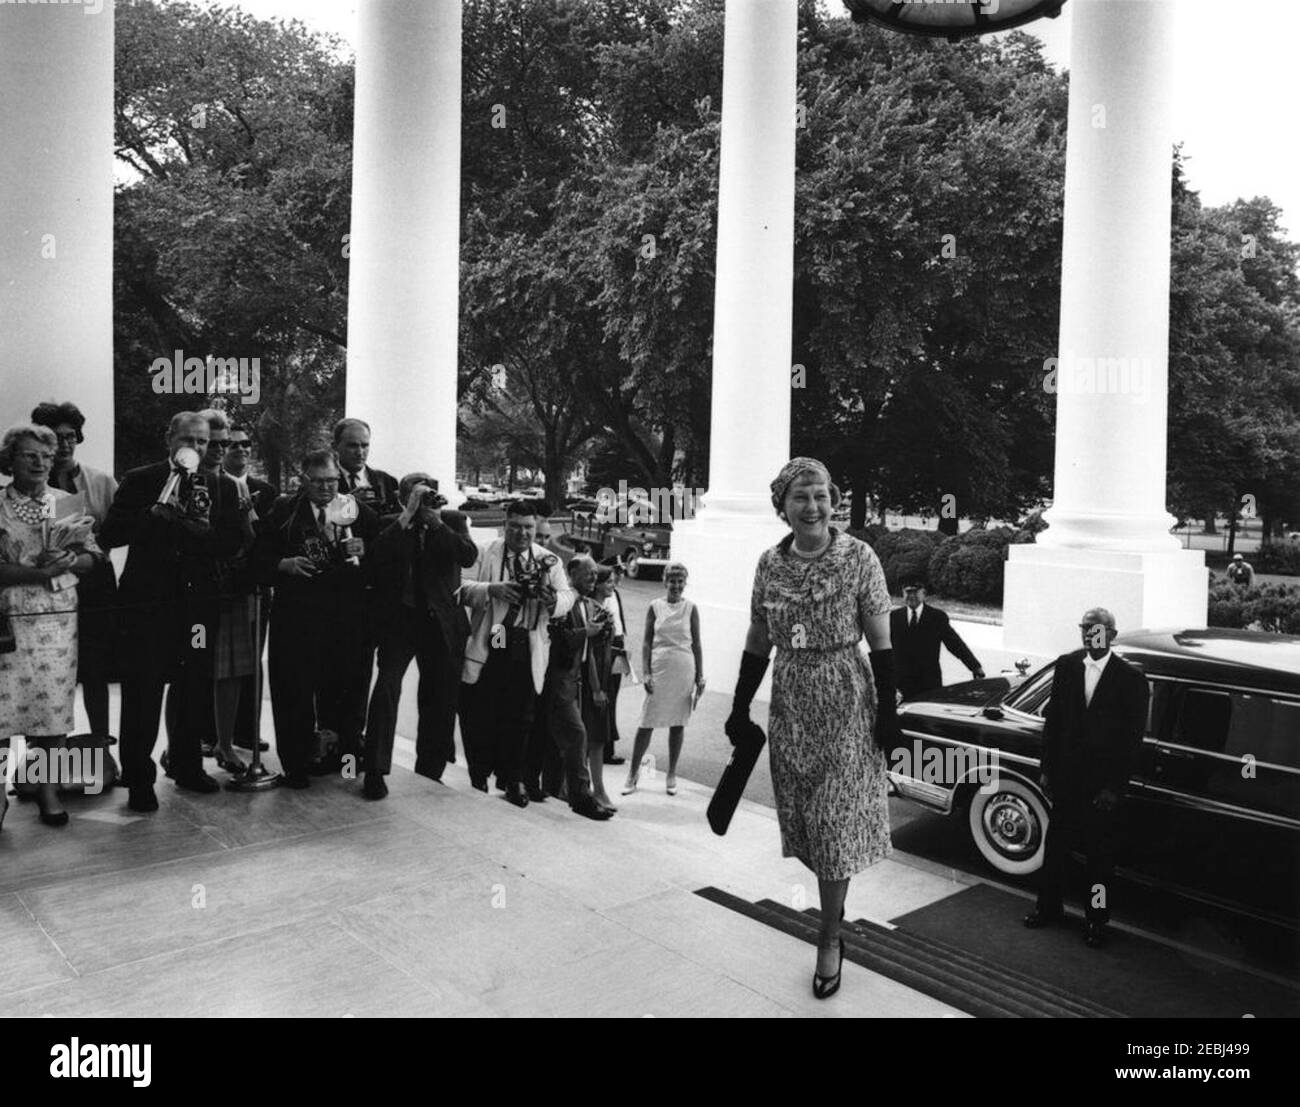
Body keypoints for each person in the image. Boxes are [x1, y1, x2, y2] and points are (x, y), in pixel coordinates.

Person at [724, 457, 899, 1000]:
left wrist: (889, 711)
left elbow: (881, 639)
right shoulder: (769, 564)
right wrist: (738, 705)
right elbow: (758, 639)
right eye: (801, 497)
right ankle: (833, 902)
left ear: (834, 500)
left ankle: (829, 937)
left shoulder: (858, 557)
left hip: (846, 694)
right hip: (793, 699)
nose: (813, 507)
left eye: (821, 495)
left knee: (833, 825)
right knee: (805, 821)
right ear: (783, 505)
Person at [101, 412, 245, 811]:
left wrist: (200, 531)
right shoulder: (141, 479)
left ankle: (186, 765)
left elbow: (232, 543)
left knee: (194, 687)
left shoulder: (222, 486)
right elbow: (109, 535)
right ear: (169, 439)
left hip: (199, 608)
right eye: (188, 440)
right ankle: (140, 779)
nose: (196, 449)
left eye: (202, 441)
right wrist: (150, 517)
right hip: (149, 606)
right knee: (143, 692)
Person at [253, 448, 380, 789]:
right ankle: (295, 766)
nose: (327, 489)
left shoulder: (356, 510)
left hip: (347, 619)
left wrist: (363, 555)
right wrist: (284, 565)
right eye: (319, 481)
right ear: (303, 481)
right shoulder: (283, 511)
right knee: (293, 692)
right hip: (297, 618)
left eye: (332, 481)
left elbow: (381, 559)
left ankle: (347, 762)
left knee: (349, 696)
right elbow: (255, 558)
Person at [1023, 607, 1149, 949]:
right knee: (1055, 851)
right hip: (1065, 780)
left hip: (1101, 788)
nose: (1088, 634)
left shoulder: (1131, 680)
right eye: (1084, 628)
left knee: (1099, 861)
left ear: (1111, 634)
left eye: (1095, 629)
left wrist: (1114, 788)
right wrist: (1047, 769)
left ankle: (1096, 921)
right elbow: (1054, 723)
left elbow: (1131, 740)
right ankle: (1047, 908)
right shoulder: (1066, 666)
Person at [0, 424, 104, 830]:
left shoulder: (66, 502)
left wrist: (68, 562)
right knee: (2, 710)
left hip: (58, 621)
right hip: (9, 619)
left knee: (53, 709)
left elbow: (94, 559)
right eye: (30, 455)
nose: (41, 462)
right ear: (11, 460)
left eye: (46, 455)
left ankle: (47, 789)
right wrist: (34, 572)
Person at [362, 473, 478, 799]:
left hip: (442, 623)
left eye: (431, 495)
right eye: (419, 496)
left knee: (440, 699)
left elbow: (467, 556)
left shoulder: (452, 520)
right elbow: (376, 558)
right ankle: (375, 769)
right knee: (386, 688)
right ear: (404, 497)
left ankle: (431, 770)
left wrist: (436, 523)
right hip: (400, 621)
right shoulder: (391, 523)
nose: (427, 501)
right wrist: (407, 517)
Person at [460, 499, 573, 806]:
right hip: (492, 638)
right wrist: (491, 590)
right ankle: (479, 774)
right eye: (515, 527)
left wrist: (551, 601)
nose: (522, 534)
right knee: (482, 712)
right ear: (505, 525)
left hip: (526, 642)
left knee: (520, 716)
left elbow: (567, 597)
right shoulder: (485, 552)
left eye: (528, 528)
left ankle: (514, 780)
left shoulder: (549, 560)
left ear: (535, 528)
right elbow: (458, 588)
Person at [30, 401, 118, 744]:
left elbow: (116, 531)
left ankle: (101, 746)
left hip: (93, 584)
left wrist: (88, 549)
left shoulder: (100, 480)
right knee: (48, 670)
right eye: (56, 437)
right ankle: (46, 754)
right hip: (46, 587)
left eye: (71, 436)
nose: (64, 444)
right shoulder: (32, 481)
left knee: (95, 669)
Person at [621, 562, 703, 797]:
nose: (676, 586)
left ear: (684, 583)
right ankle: (633, 774)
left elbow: (697, 644)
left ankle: (671, 774)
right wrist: (646, 672)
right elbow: (646, 642)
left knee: (678, 723)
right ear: (665, 582)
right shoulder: (654, 606)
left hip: (684, 667)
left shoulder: (691, 608)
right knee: (647, 722)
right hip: (659, 667)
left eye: (680, 582)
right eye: (672, 581)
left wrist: (700, 676)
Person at [543, 556, 615, 820]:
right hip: (559, 679)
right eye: (589, 575)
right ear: (572, 573)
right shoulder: (565, 601)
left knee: (555, 741)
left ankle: (551, 790)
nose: (594, 580)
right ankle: (582, 797)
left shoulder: (587, 603)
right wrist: (588, 632)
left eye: (596, 575)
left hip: (575, 681)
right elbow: (558, 639)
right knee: (577, 735)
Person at [221, 424, 276, 753]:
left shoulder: (265, 491)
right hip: (224, 587)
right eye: (233, 444)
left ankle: (248, 730)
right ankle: (215, 732)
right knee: (222, 664)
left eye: (246, 444)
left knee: (254, 658)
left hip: (257, 586)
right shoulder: (214, 484)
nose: (241, 449)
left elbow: (270, 537)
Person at [889, 577, 984, 700]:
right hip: (900, 684)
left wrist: (975, 666)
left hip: (928, 682)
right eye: (908, 592)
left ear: (924, 594)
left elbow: (955, 644)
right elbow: (885, 649)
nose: (911, 596)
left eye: (915, 592)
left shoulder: (937, 617)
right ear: (902, 594)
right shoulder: (894, 617)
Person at [332, 418, 401, 520]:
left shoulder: (387, 482)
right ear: (335, 446)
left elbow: (398, 524)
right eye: (352, 446)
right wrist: (349, 503)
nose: (360, 453)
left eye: (365, 446)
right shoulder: (322, 482)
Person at [595, 559, 629, 766]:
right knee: (606, 696)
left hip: (618, 643)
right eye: (617, 572)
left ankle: (609, 746)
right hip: (609, 646)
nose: (619, 577)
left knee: (614, 696)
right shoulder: (605, 597)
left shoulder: (614, 593)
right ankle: (605, 749)